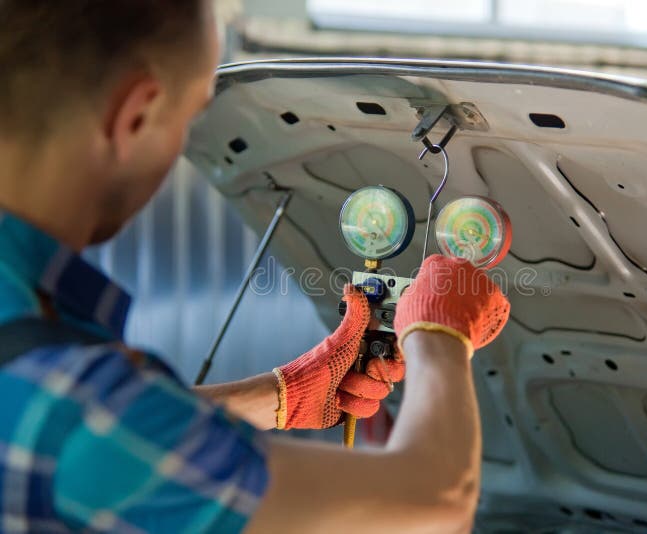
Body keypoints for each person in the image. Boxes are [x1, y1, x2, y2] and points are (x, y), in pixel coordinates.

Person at [0, 1, 511, 532]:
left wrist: (283, 394)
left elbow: (118, 432)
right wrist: (438, 334)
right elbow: (438, 501)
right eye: (190, 117)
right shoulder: (79, 411)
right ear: (136, 115)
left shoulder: (58, 380)